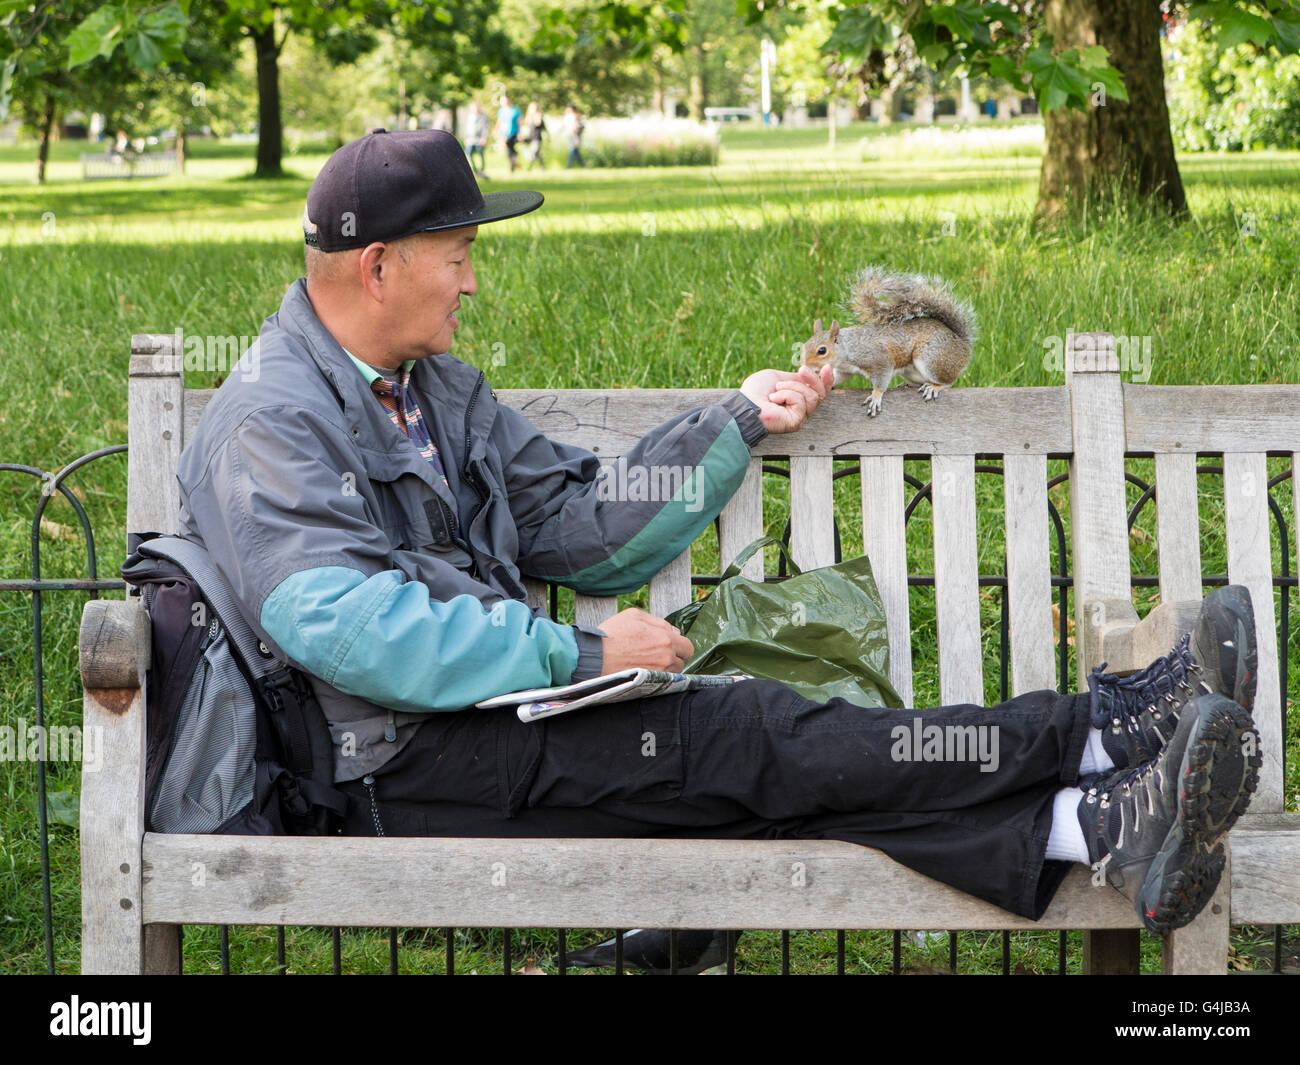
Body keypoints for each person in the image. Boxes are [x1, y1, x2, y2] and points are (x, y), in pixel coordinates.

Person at [176, 129, 1262, 973]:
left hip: (489, 728)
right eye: (457, 257)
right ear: (377, 267)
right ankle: (1101, 731)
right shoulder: (272, 421)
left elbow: (582, 529)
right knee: (744, 731)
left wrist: (736, 419)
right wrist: (579, 658)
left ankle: (1098, 822)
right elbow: (339, 627)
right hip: (394, 768)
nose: (470, 283)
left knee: (761, 777)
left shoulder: (435, 392)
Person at [495, 95, 521, 173]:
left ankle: (512, 166)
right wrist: (496, 129)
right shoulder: (501, 111)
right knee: (509, 149)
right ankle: (514, 162)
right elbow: (499, 121)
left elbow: (519, 122)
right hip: (504, 133)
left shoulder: (515, 110)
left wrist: (519, 132)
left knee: (510, 148)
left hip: (513, 132)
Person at [466, 101, 489, 176]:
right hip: (471, 139)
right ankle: (474, 169)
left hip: (479, 139)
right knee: (469, 154)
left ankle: (481, 170)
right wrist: (466, 138)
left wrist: (484, 138)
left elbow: (485, 128)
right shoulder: (470, 117)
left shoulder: (483, 117)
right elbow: (467, 128)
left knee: (480, 154)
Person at [523, 102, 547, 169]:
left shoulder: (539, 116)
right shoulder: (529, 117)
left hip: (537, 138)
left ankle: (529, 168)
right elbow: (526, 125)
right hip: (531, 137)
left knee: (534, 153)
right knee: (537, 154)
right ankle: (543, 167)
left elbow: (541, 125)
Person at [563, 104, 585, 168]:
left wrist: (576, 134)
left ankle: (568, 166)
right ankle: (582, 165)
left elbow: (579, 126)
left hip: (575, 135)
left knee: (573, 150)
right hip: (570, 135)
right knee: (575, 151)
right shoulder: (567, 116)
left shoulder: (576, 116)